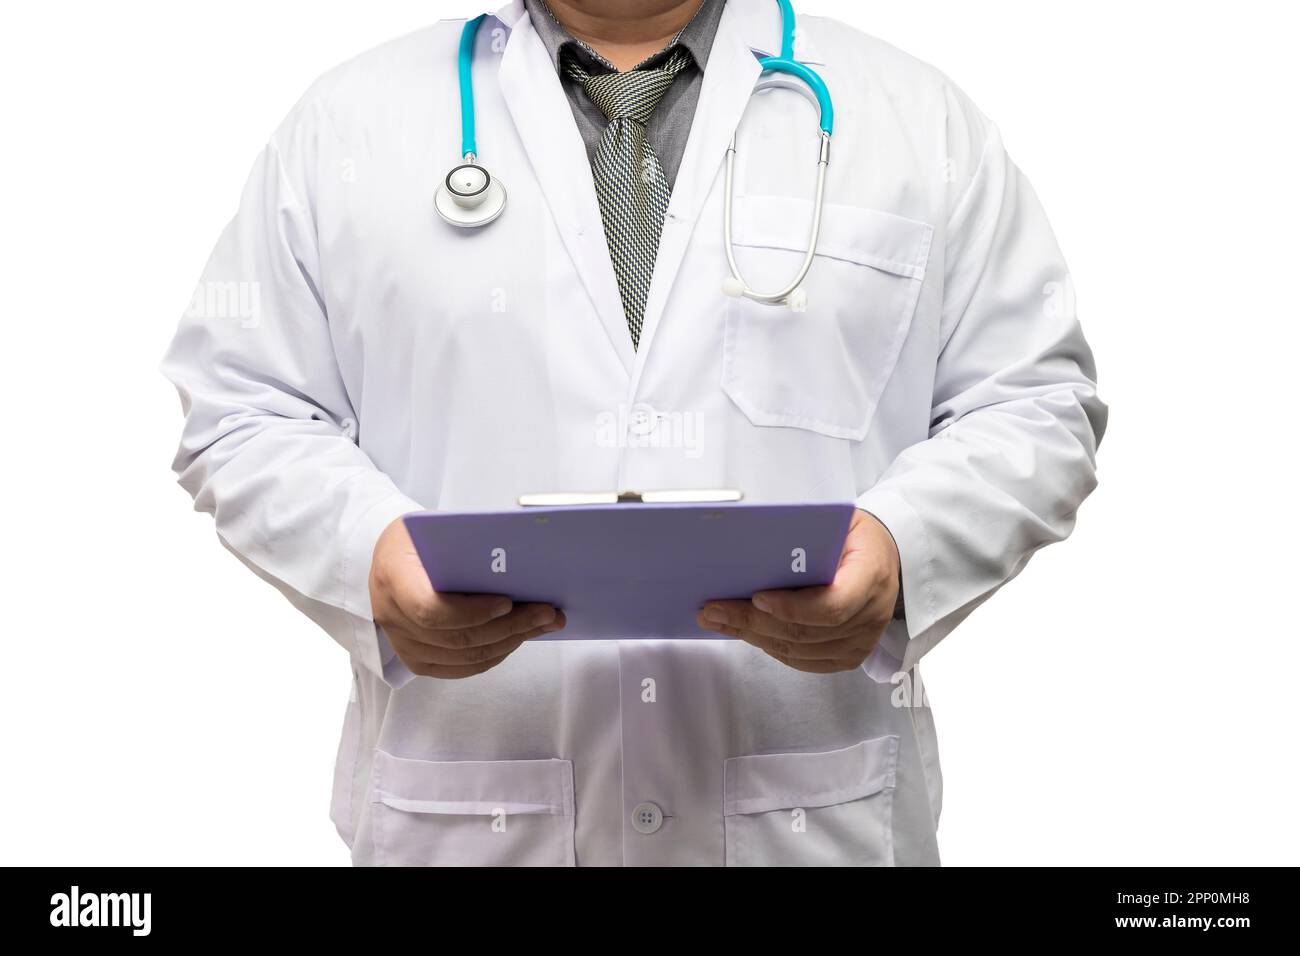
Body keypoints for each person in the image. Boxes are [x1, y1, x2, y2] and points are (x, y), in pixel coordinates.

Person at [162, 0, 1105, 866]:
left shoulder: (914, 120)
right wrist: (364, 556)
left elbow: (1034, 402)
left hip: (815, 822)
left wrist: (903, 552)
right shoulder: (347, 128)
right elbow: (242, 406)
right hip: (467, 817)